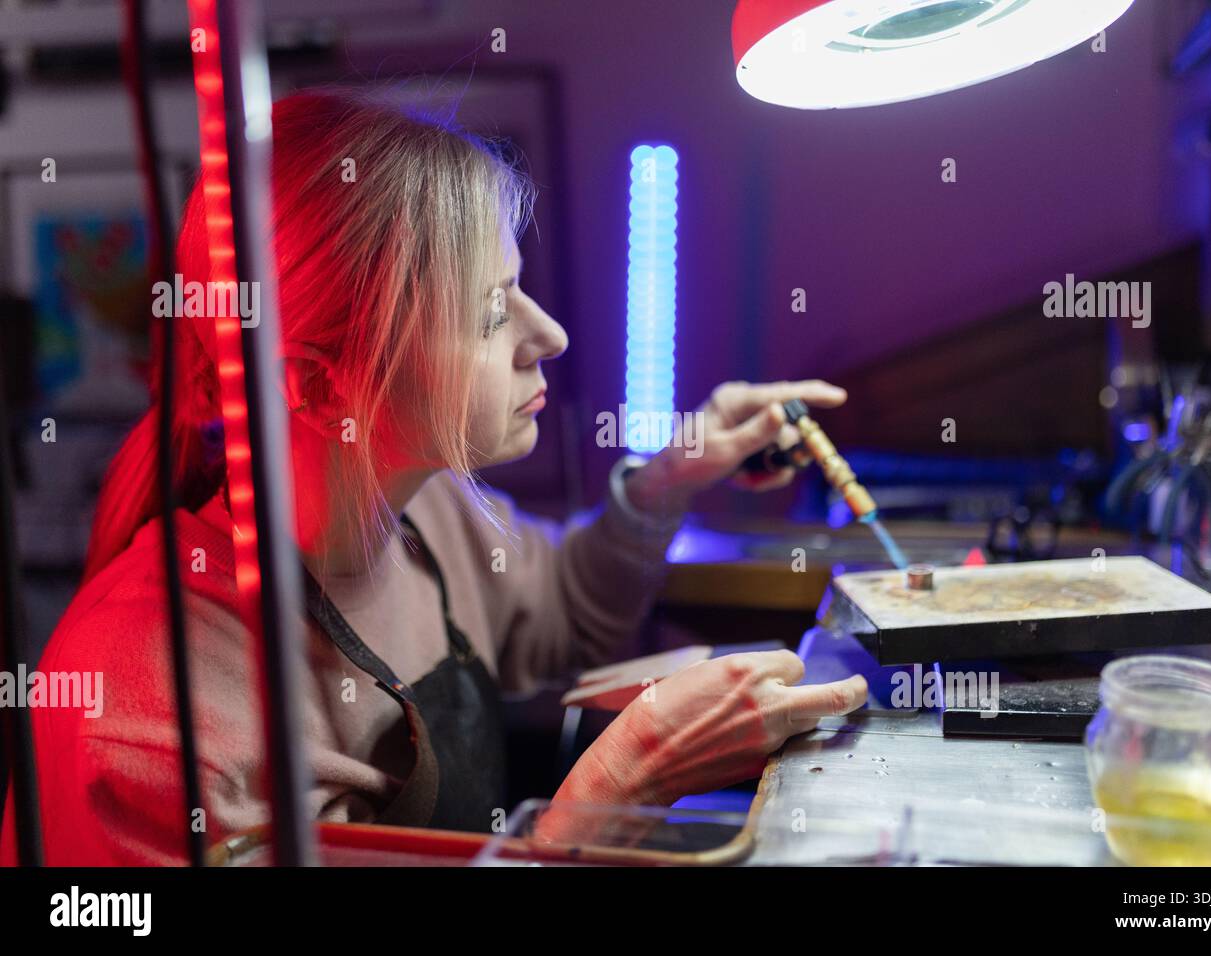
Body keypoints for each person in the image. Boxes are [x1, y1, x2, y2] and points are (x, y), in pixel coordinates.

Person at [0, 88, 866, 865]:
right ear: (311, 382)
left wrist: (672, 475)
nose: (550, 335)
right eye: (493, 311)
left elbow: (561, 609)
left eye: (518, 287)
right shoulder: (149, 734)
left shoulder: (428, 505)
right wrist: (621, 784)